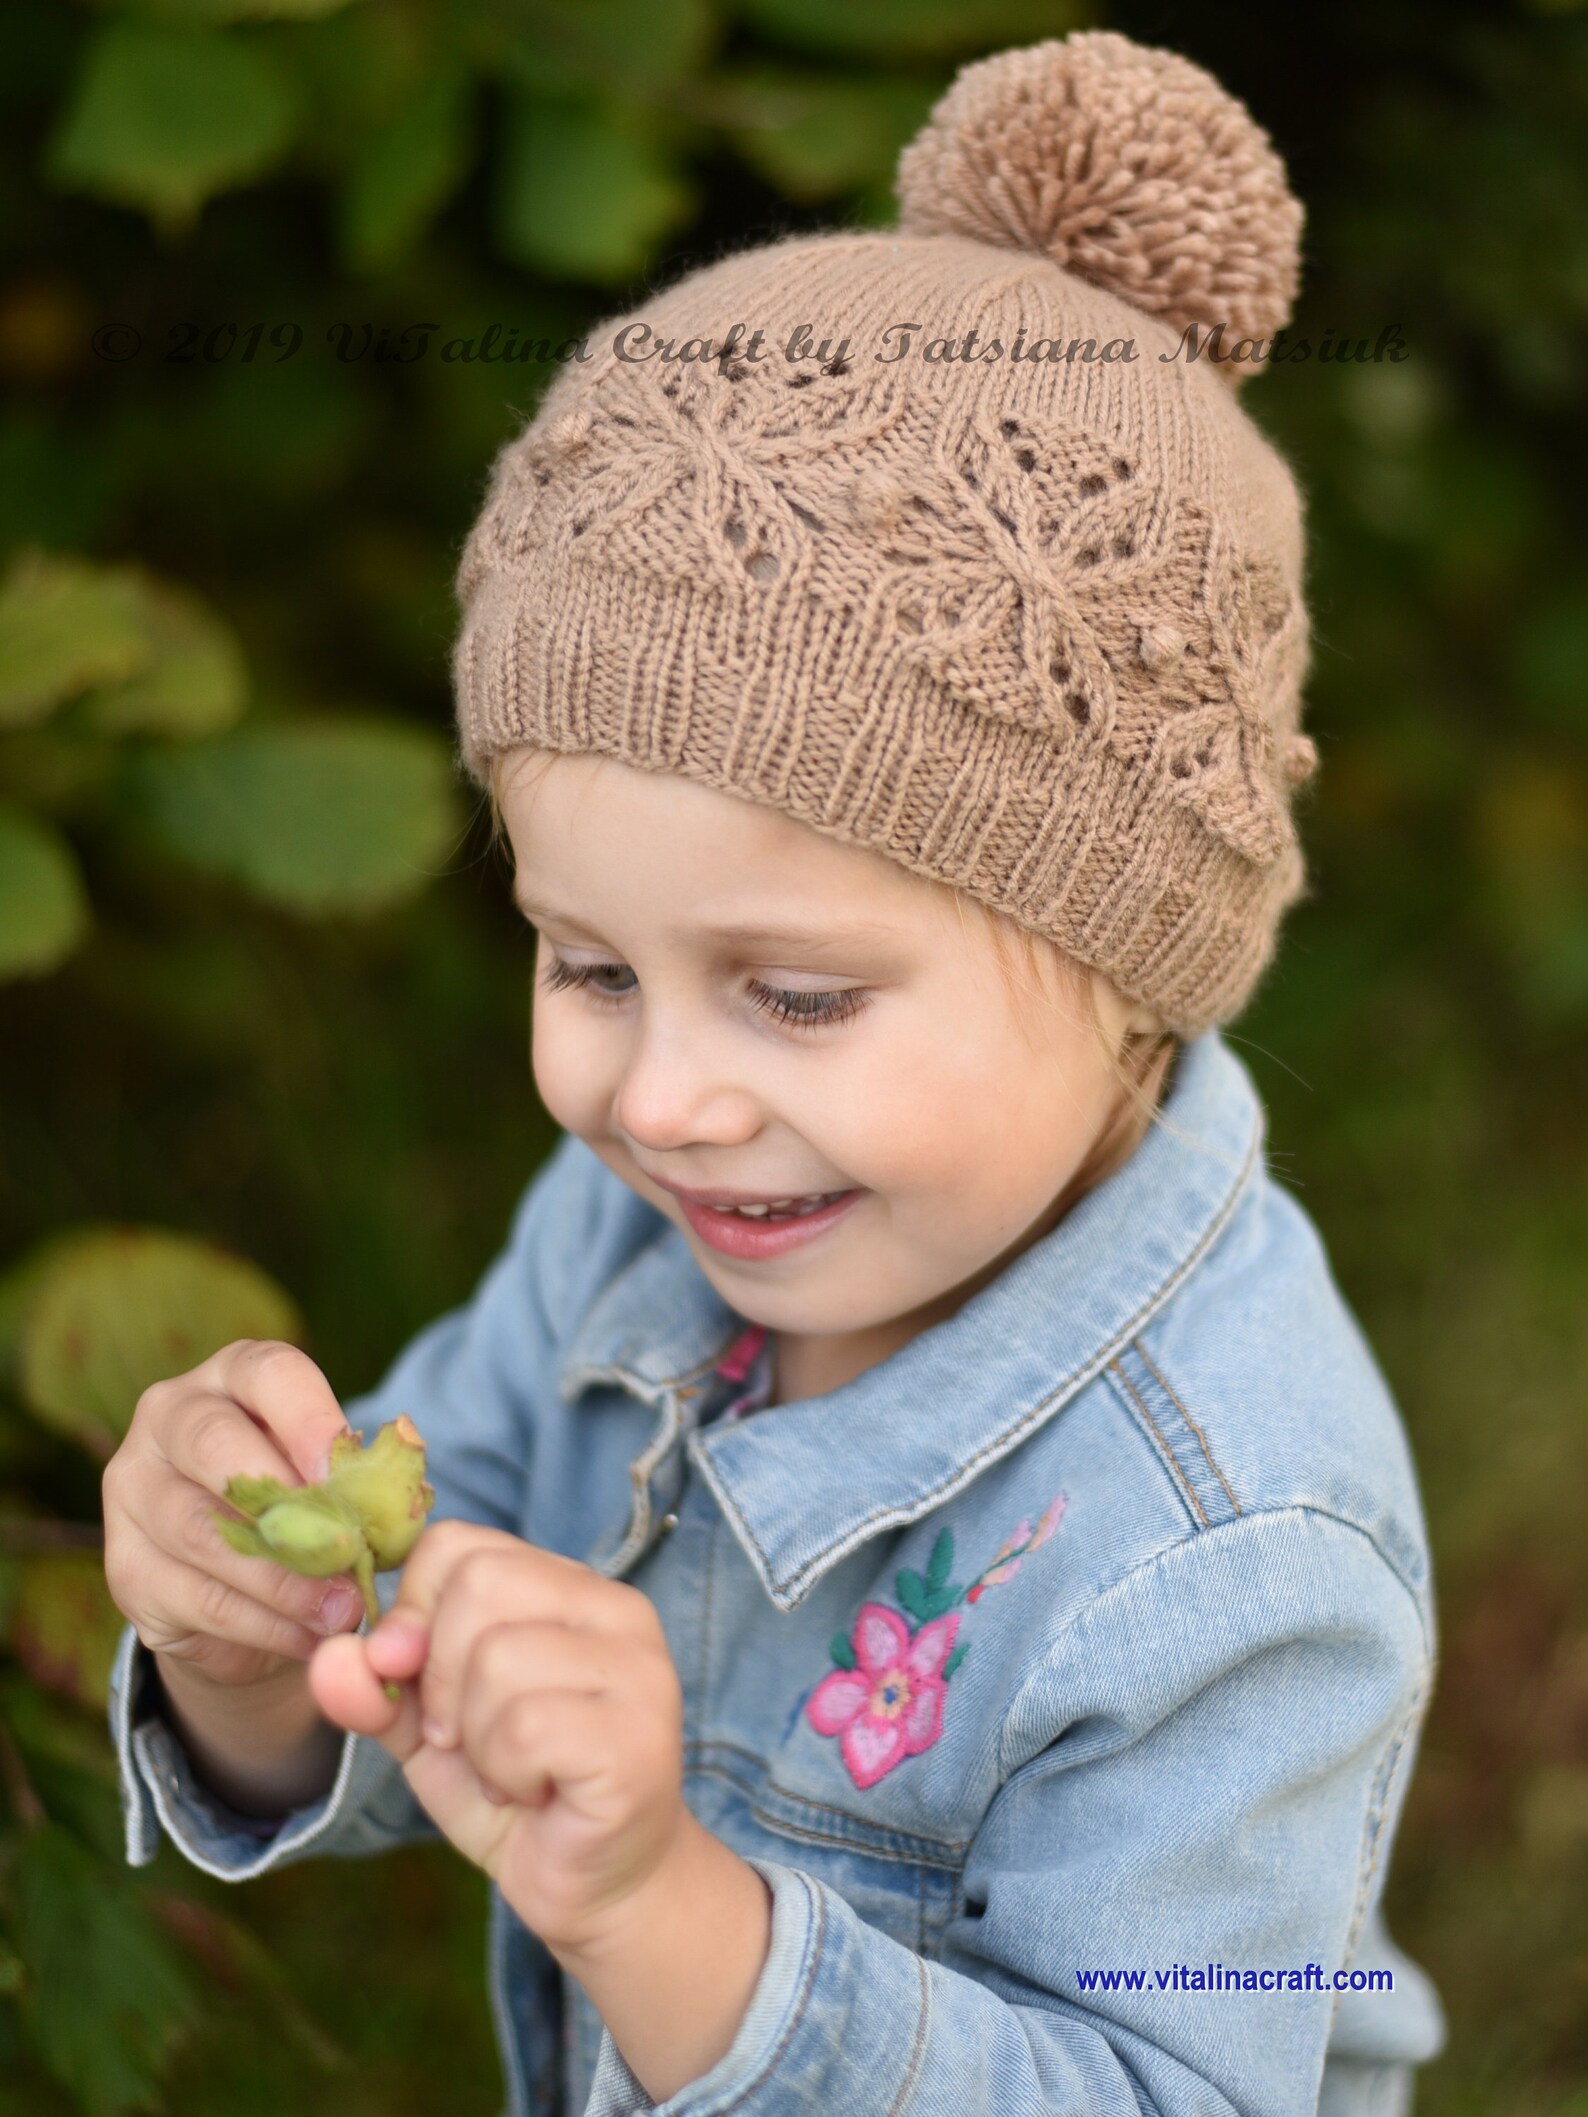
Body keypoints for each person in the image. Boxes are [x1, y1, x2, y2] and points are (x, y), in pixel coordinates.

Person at [101, 30, 1447, 2116]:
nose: (658, 1104)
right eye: (584, 963)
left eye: (792, 997)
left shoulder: (1229, 1552)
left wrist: (660, 1915)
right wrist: (247, 1658)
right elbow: (422, 1678)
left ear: (1124, 966)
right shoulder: (641, 1233)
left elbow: (1164, 2085)